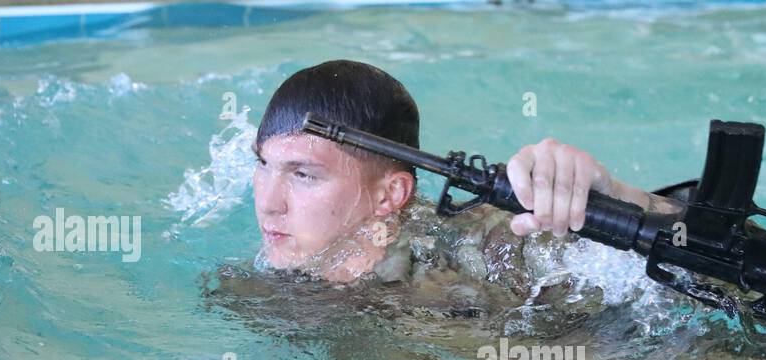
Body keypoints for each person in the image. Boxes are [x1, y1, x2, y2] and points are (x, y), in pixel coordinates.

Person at [251, 59, 682, 291]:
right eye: (263, 166)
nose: (269, 203)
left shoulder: (486, 248)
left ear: (391, 194)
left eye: (303, 175)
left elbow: (702, 265)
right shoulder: (259, 291)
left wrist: (621, 200)